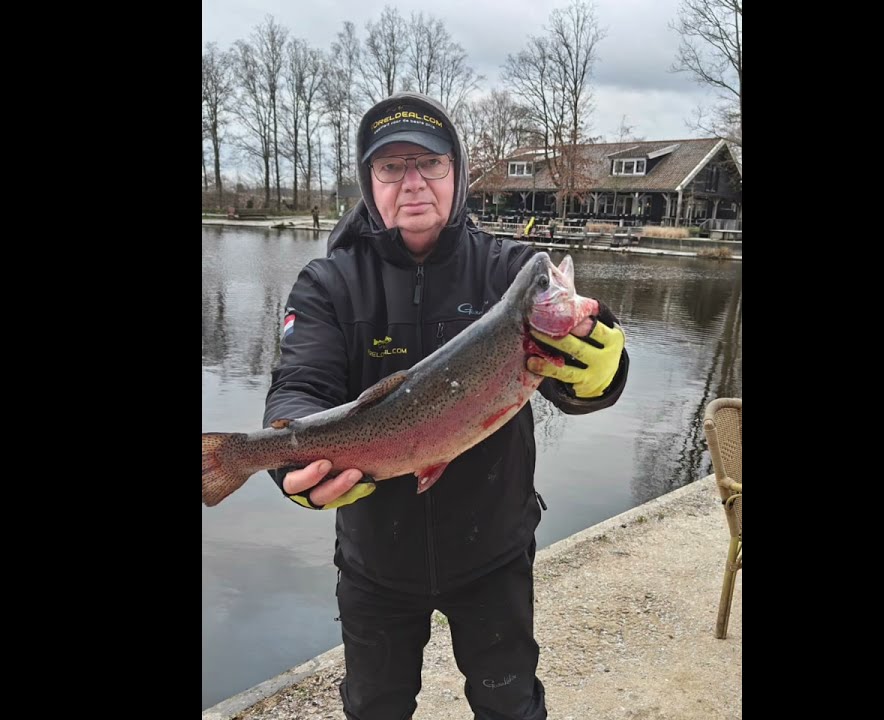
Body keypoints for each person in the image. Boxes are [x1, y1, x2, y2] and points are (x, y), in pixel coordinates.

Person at [263, 92, 630, 720]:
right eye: (390, 167)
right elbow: (298, 389)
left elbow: (581, 361)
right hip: (374, 557)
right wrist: (286, 470)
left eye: (429, 164)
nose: (412, 183)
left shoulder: (510, 270)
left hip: (493, 551)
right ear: (369, 180)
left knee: (511, 707)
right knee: (374, 709)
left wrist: (601, 370)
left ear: (456, 174)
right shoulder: (327, 283)